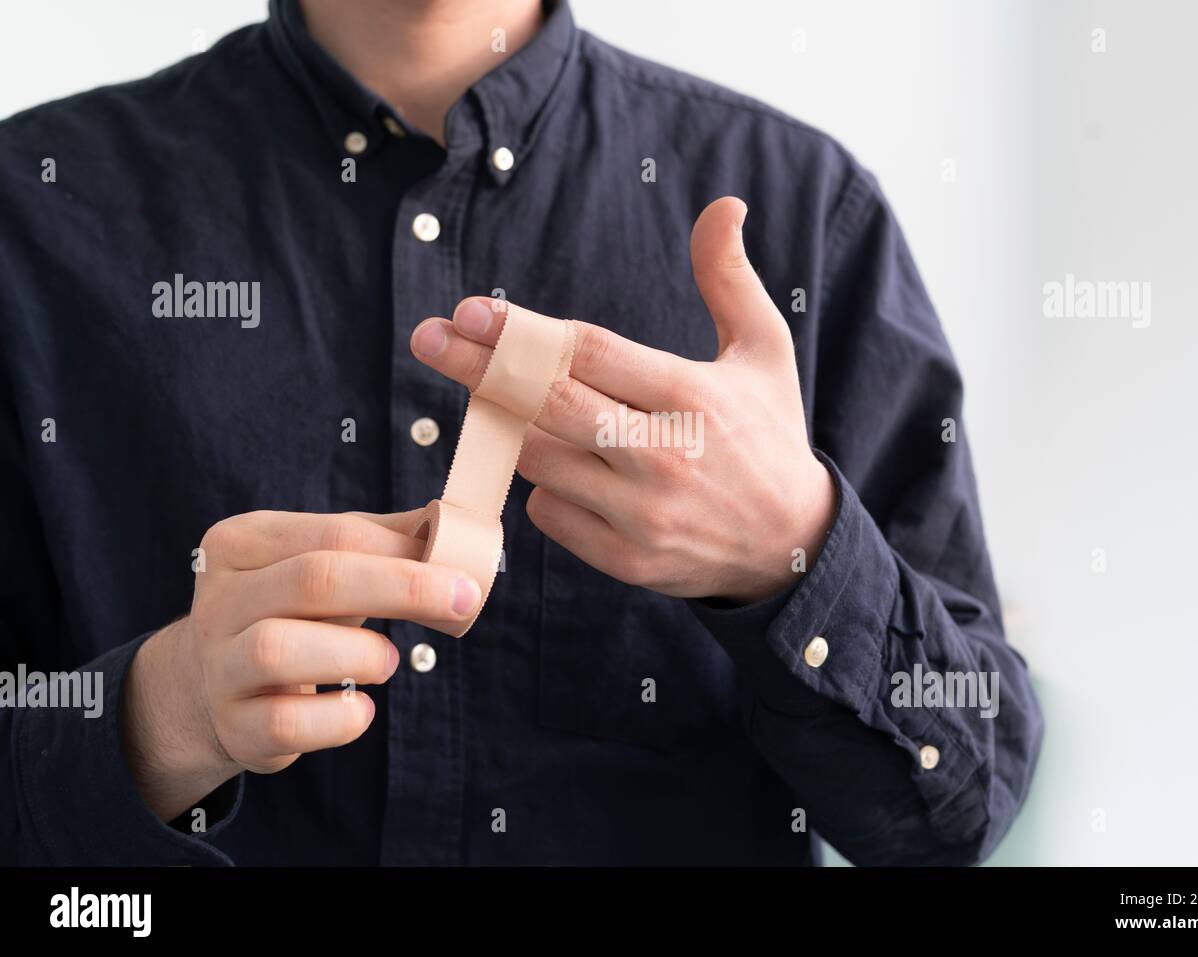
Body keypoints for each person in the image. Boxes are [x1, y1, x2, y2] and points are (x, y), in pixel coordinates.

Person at [0, 0, 1044, 865]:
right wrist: (155, 719)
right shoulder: (34, 215)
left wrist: (798, 556)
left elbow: (963, 805)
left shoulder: (801, 210)